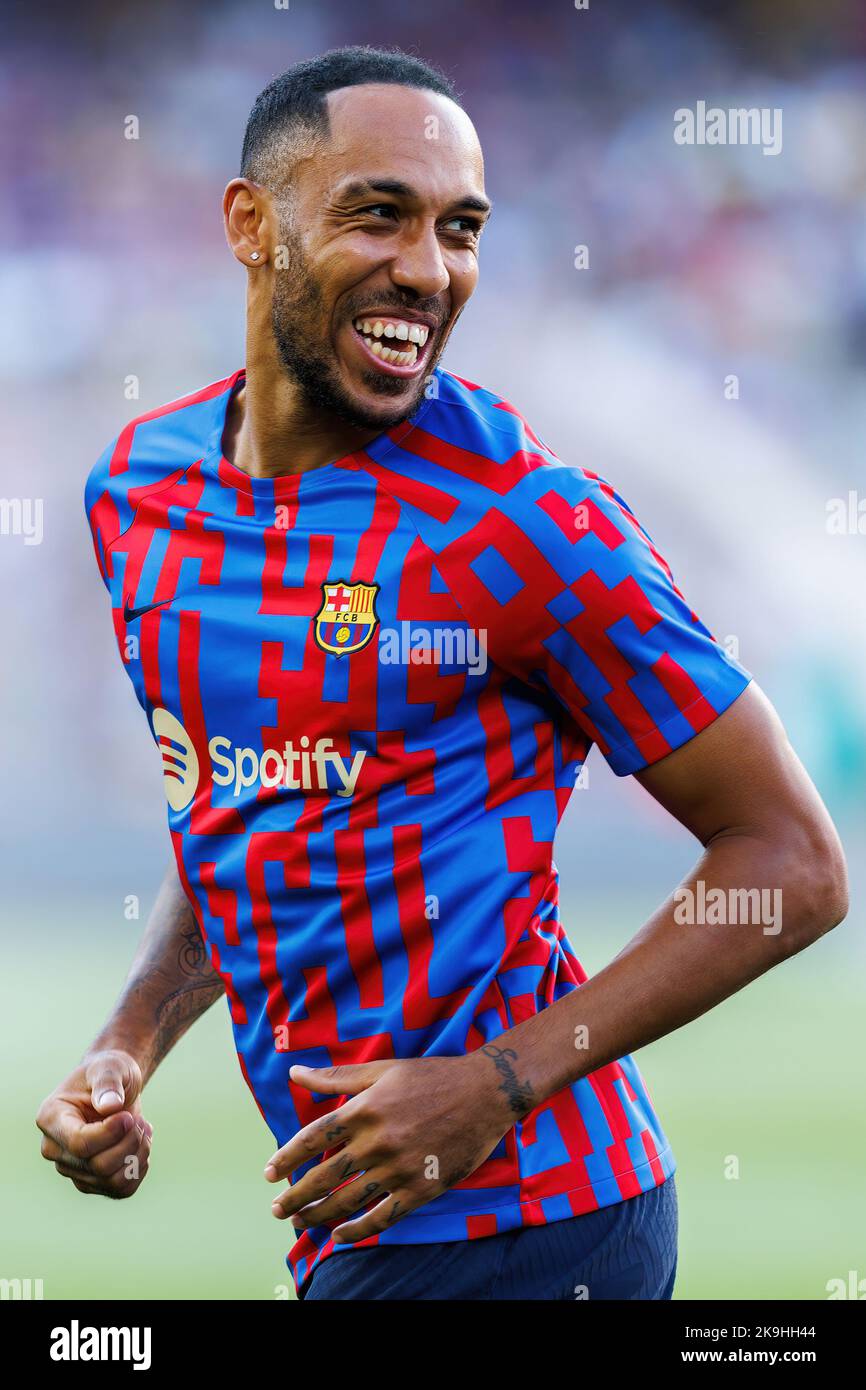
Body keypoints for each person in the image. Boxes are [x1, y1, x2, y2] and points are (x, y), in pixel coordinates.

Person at [37, 46, 847, 1301]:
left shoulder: (524, 524)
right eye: (378, 214)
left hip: (534, 1227)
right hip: (361, 1229)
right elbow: (237, 813)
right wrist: (128, 1042)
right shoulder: (138, 493)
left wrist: (499, 1080)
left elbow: (790, 862)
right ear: (252, 226)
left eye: (458, 229)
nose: (427, 269)